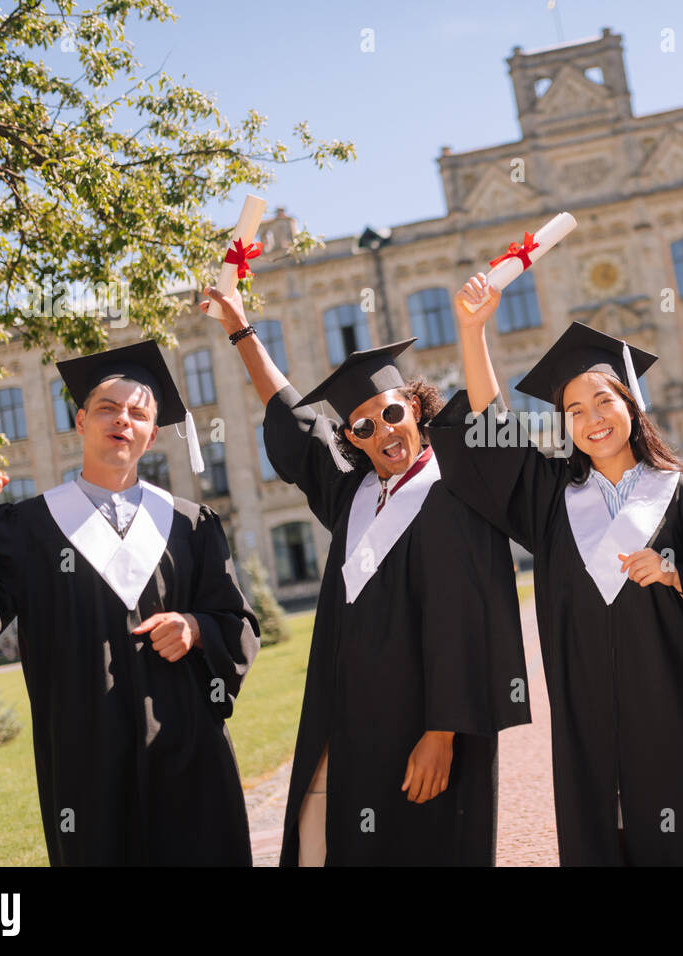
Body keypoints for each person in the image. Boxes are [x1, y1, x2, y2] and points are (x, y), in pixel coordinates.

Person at [201, 286, 529, 867]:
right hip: (343, 719)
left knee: (420, 847)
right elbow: (294, 420)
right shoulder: (351, 492)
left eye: (392, 414)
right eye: (362, 428)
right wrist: (241, 329)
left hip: (423, 725)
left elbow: (467, 617)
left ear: (418, 408)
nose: (383, 433)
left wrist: (443, 733)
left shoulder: (458, 491)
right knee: (320, 842)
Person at [424, 275, 683, 866]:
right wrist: (472, 330)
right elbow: (490, 430)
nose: (593, 418)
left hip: (682, 711)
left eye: (604, 401)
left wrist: (678, 576)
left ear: (631, 405)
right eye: (575, 409)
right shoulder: (549, 498)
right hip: (588, 717)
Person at [0, 340, 260, 865]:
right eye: (107, 409)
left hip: (189, 750)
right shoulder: (27, 527)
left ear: (151, 434)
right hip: (85, 756)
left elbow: (238, 623)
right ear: (81, 421)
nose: (122, 420)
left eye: (137, 413)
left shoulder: (190, 524)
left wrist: (196, 626)